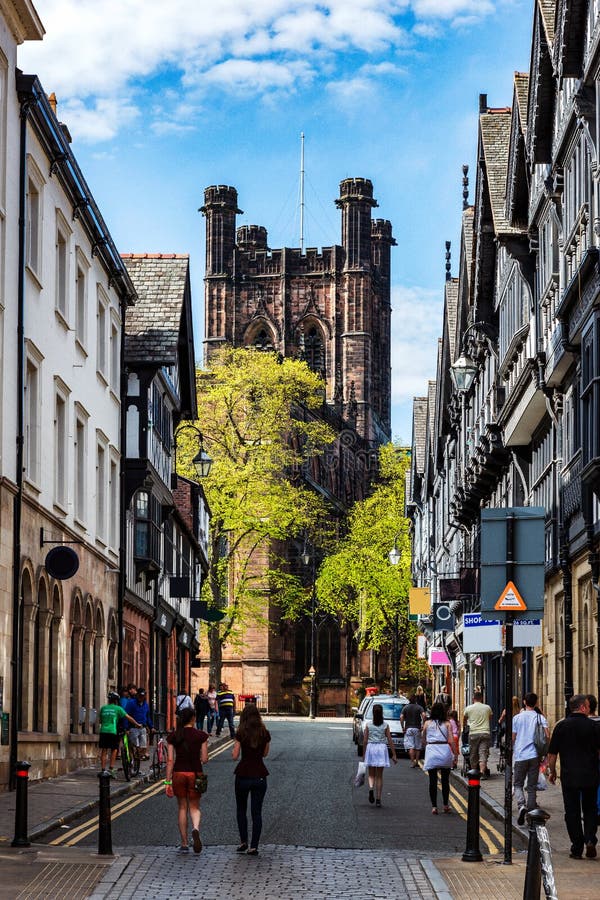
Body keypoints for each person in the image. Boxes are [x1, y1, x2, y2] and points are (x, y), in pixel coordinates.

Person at [547, 693, 600, 859]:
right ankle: (590, 839)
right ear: (583, 707)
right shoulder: (594, 727)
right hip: (590, 775)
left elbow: (552, 754)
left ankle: (576, 847)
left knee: (572, 811)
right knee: (590, 809)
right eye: (588, 706)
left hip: (569, 776)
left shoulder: (561, 726)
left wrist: (552, 772)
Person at [165, 706, 209, 854]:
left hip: (178, 774)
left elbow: (170, 760)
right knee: (195, 807)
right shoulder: (201, 735)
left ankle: (184, 843)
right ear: (193, 718)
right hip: (195, 774)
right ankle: (195, 829)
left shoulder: (174, 736)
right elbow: (205, 758)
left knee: (182, 807)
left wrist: (167, 782)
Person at [232, 703, 271, 855]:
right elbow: (265, 754)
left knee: (241, 810)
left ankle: (243, 842)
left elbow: (235, 756)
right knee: (257, 812)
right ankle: (253, 846)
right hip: (260, 775)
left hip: (242, 775)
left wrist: (235, 751)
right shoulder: (264, 733)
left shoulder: (241, 731)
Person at [512, 691, 549, 825]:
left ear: (524, 702)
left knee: (518, 784)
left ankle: (521, 805)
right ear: (536, 703)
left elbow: (513, 737)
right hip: (534, 755)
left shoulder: (517, 718)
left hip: (520, 756)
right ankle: (532, 816)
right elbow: (547, 736)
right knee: (532, 786)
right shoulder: (540, 718)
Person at [423, 702, 456, 814]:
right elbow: (451, 741)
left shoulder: (427, 723)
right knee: (445, 780)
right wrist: (455, 755)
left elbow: (423, 740)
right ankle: (446, 805)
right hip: (444, 750)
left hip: (432, 750)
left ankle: (434, 807)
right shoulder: (447, 724)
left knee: (432, 781)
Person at [363, 702, 397, 807]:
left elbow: (364, 741)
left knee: (371, 774)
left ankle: (371, 789)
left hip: (371, 748)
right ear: (382, 713)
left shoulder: (368, 725)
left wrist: (364, 754)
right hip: (381, 748)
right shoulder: (385, 725)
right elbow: (390, 740)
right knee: (379, 776)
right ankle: (378, 799)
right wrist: (394, 754)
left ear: (373, 713)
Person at [99, 691, 141, 775]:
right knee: (114, 749)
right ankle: (111, 769)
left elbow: (100, 720)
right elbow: (128, 718)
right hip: (112, 731)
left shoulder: (103, 708)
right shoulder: (118, 709)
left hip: (103, 731)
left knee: (104, 750)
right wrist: (137, 724)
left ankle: (103, 770)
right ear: (116, 701)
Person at [463, 690, 493, 778]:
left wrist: (465, 726)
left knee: (473, 753)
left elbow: (464, 719)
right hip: (485, 733)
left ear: (473, 699)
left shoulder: (468, 708)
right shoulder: (487, 707)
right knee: (483, 753)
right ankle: (482, 772)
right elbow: (490, 717)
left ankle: (473, 772)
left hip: (473, 733)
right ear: (482, 698)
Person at [125, 688, 154, 761]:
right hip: (133, 728)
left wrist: (151, 727)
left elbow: (147, 717)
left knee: (143, 747)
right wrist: (126, 728)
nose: (141, 698)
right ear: (137, 695)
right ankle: (132, 762)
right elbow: (126, 716)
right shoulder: (131, 703)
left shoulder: (145, 705)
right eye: (140, 696)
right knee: (134, 746)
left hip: (142, 728)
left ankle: (137, 764)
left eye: (143, 696)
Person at [401, 694, 425, 768]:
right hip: (417, 728)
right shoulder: (419, 707)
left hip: (408, 728)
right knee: (417, 747)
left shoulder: (405, 707)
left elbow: (401, 717)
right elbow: (424, 715)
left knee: (411, 746)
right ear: (416, 700)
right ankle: (417, 762)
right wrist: (423, 725)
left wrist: (403, 727)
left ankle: (412, 762)